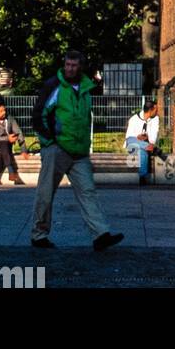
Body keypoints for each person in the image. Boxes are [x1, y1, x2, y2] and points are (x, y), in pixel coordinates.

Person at [29, 49, 123, 251]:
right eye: (67, 64)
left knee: (88, 192)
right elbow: (38, 116)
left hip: (79, 151)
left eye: (74, 65)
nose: (70, 68)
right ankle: (39, 234)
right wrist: (49, 143)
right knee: (45, 193)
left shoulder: (85, 88)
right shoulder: (54, 86)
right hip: (57, 148)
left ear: (81, 67)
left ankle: (100, 234)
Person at [0, 99, 29, 185]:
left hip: (6, 147)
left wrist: (23, 150)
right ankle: (11, 172)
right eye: (1, 111)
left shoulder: (10, 119)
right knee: (3, 146)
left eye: (4, 110)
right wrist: (7, 138)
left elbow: (19, 133)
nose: (4, 112)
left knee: (1, 151)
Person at [123, 100, 163, 184]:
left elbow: (154, 134)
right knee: (131, 140)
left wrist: (148, 140)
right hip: (132, 145)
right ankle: (153, 149)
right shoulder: (134, 119)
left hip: (145, 146)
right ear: (150, 110)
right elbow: (128, 137)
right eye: (156, 110)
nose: (157, 112)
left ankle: (142, 177)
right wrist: (138, 137)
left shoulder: (155, 119)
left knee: (142, 151)